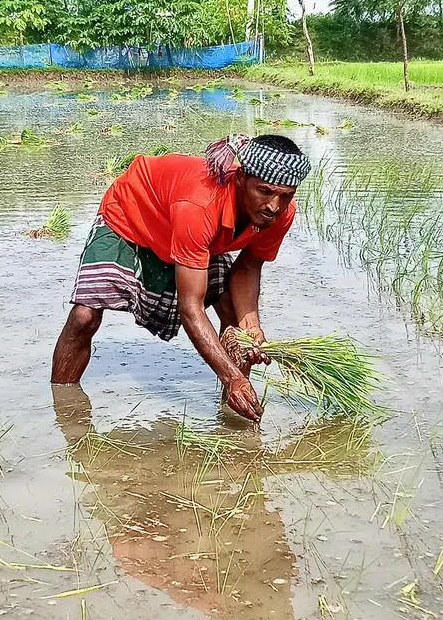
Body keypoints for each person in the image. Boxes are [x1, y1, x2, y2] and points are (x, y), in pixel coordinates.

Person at [50, 133, 311, 422]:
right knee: (84, 317)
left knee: (237, 325)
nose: (273, 206)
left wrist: (251, 327)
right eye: (264, 192)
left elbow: (248, 268)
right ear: (240, 179)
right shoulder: (200, 203)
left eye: (285, 196)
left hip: (191, 234)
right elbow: (191, 309)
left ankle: (236, 414)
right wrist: (230, 377)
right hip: (131, 218)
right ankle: (63, 409)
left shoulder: (279, 215)